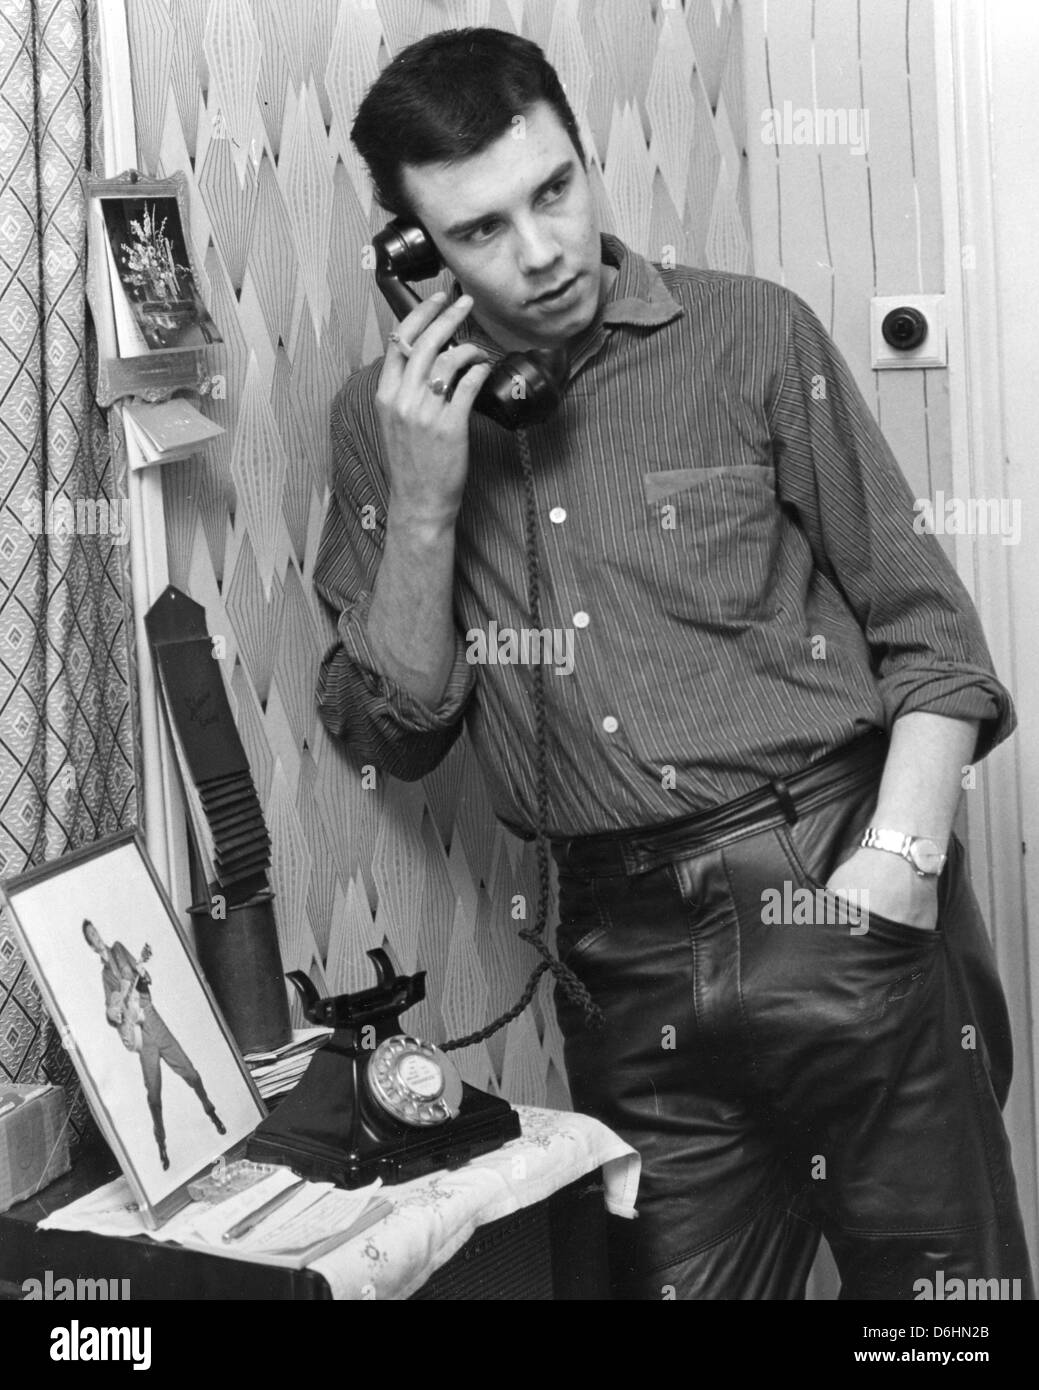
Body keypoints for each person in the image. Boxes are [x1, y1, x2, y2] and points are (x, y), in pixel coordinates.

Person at [312, 27, 1033, 1299]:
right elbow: (398, 733)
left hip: (829, 875)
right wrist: (426, 498)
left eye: (554, 191)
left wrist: (899, 869)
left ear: (588, 160)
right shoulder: (385, 430)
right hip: (620, 959)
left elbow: (933, 638)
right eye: (480, 231)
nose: (540, 251)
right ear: (412, 257)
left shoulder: (752, 335)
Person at [83, 920, 225, 1170]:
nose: (95, 936)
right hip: (140, 1034)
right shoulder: (105, 975)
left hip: (152, 1018)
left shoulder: (118, 949)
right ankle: (162, 1144)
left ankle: (210, 1110)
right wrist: (113, 1013)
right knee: (154, 1096)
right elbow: (111, 1007)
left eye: (95, 931)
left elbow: (141, 974)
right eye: (90, 936)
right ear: (91, 945)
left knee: (190, 1072)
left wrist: (143, 972)